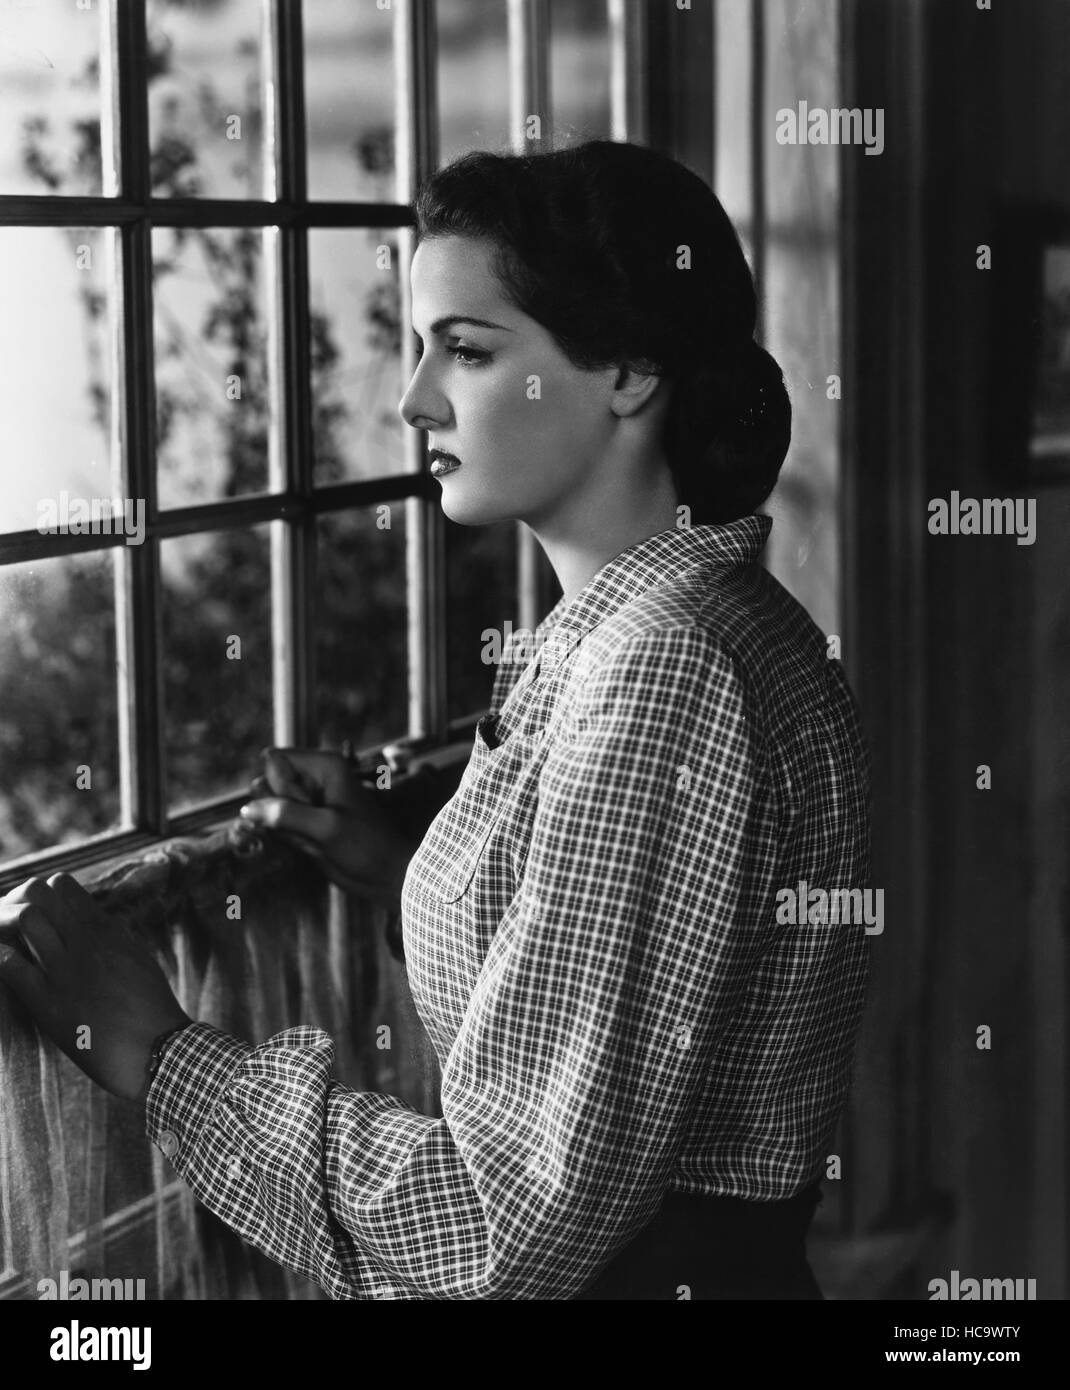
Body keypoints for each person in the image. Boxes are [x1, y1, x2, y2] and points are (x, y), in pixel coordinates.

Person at [0, 140, 871, 1301]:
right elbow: (644, 992)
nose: (411, 402)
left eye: (464, 349)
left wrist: (162, 1056)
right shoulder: (711, 621)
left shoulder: (659, 672)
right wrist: (406, 870)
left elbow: (500, 1231)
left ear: (626, 370)